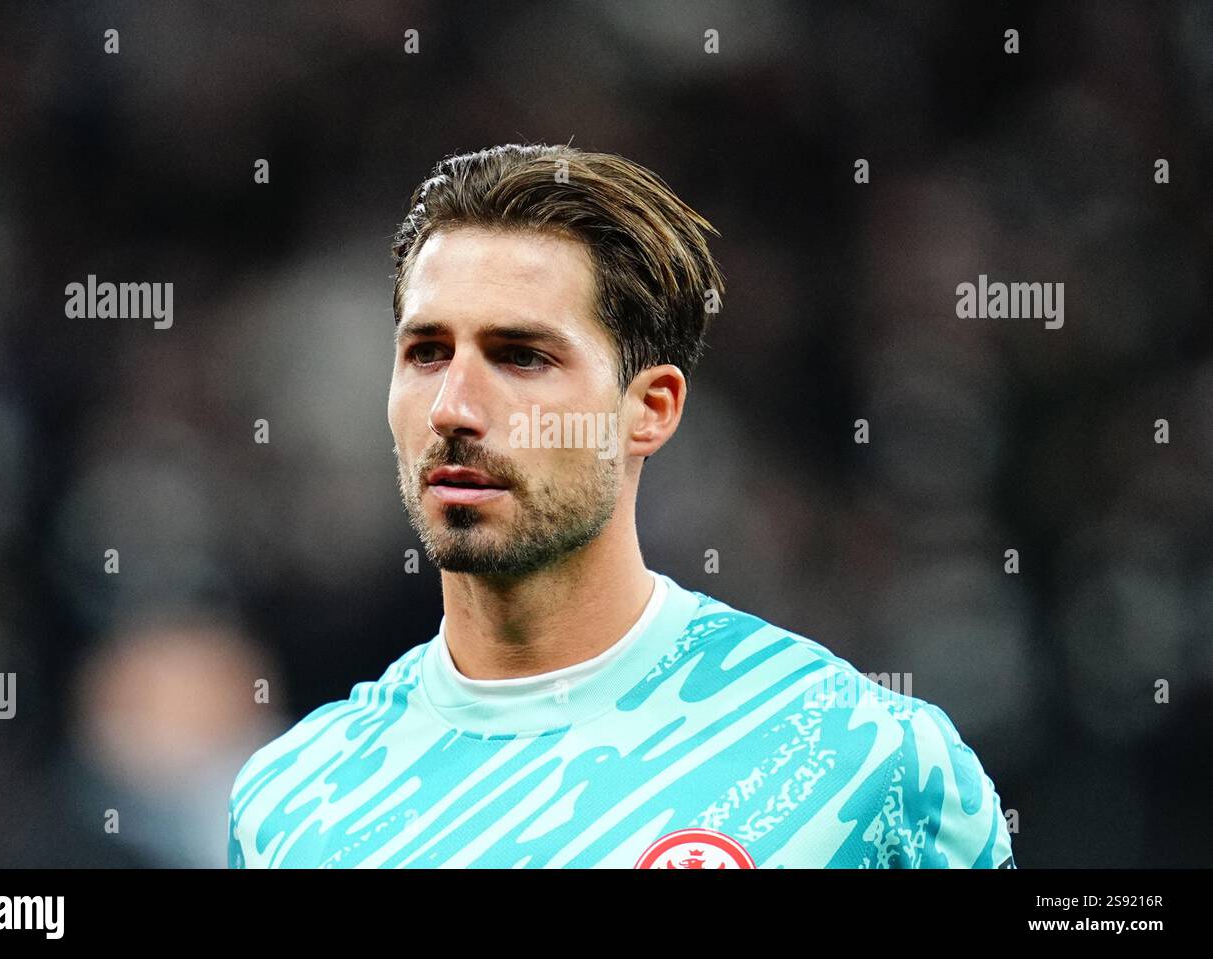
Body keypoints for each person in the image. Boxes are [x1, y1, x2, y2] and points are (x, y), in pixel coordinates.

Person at [227, 143, 1015, 869]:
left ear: (652, 409)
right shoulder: (291, 805)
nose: (453, 407)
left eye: (522, 356)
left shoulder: (865, 761)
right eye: (427, 352)